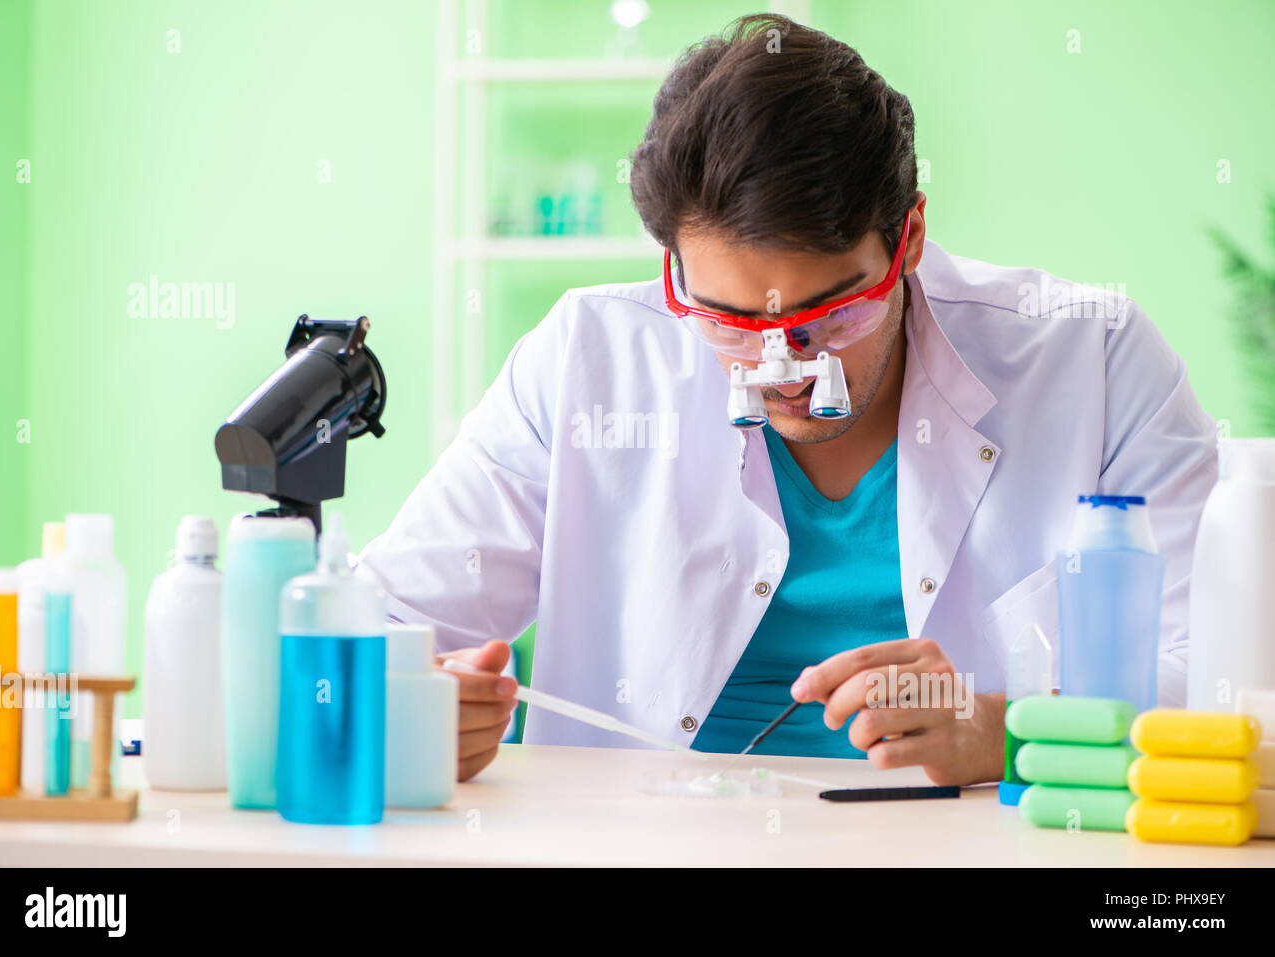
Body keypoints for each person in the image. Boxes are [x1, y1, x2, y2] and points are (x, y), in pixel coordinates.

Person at [357, 13, 1216, 785]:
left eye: (827, 317)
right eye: (726, 321)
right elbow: (381, 625)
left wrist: (1011, 730)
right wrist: (410, 706)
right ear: (674, 271)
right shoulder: (588, 359)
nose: (781, 367)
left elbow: (1224, 671)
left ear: (908, 238)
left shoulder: (1093, 360)